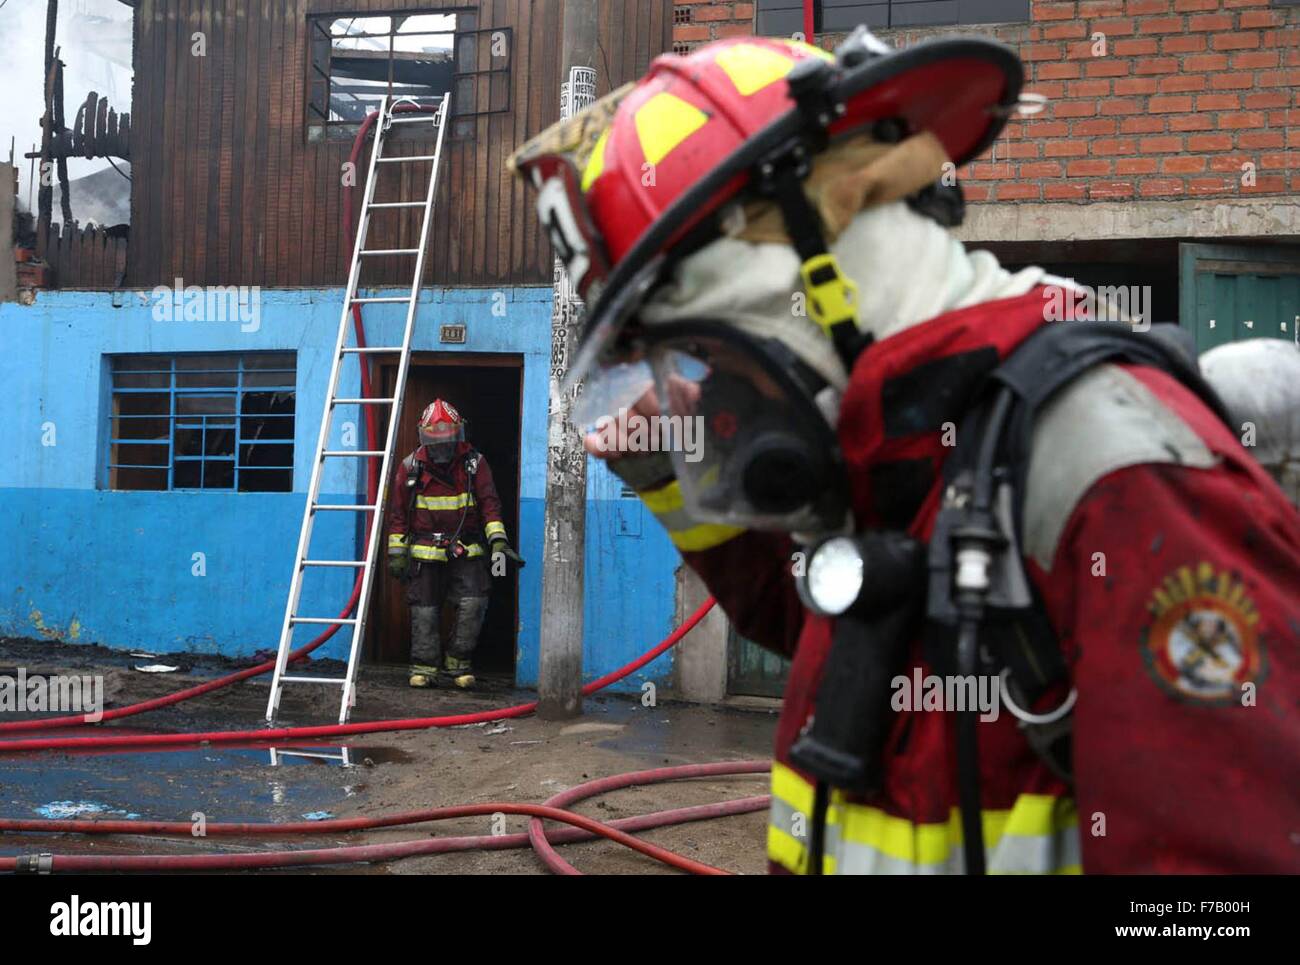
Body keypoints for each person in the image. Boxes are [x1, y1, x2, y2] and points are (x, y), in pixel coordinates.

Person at [510, 30, 1300, 873]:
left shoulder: (1111, 471)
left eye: (713, 353)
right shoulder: (900, 445)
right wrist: (670, 475)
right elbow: (821, 622)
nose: (720, 394)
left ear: (819, 257)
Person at [386, 399, 522, 689]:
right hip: (424, 551)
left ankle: (458, 664)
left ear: (458, 435)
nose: (441, 447)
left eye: (447, 440)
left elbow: (489, 504)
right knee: (424, 609)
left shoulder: (475, 464)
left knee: (474, 603)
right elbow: (398, 514)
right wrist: (396, 552)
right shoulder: (411, 467)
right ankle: (424, 668)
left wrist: (498, 540)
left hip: (467, 548)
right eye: (434, 441)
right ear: (424, 438)